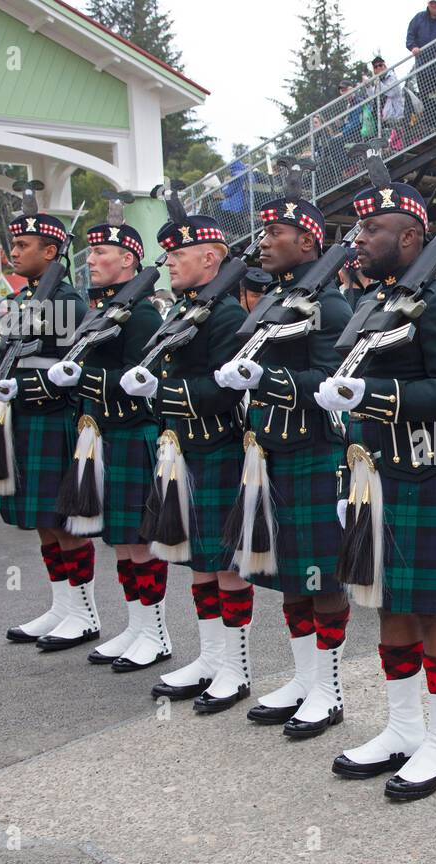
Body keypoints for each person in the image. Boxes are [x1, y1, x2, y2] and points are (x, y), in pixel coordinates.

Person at [315, 174, 436, 801]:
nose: (359, 239)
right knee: (389, 602)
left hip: (428, 470)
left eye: (373, 230)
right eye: (360, 228)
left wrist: (372, 395)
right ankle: (401, 728)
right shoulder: (378, 301)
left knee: (430, 608)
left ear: (413, 237)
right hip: (379, 473)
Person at [213, 192, 354, 738]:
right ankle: (304, 677)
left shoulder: (332, 305)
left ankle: (330, 688)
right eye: (263, 232)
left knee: (321, 576)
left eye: (277, 233)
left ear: (309, 241)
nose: (264, 242)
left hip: (315, 451)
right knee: (290, 573)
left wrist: (263, 381)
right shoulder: (276, 298)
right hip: (271, 451)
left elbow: (329, 384)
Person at [136, 215, 254, 715]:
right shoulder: (185, 310)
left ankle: (237, 668)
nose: (168, 265)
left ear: (210, 258)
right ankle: (210, 657)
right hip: (182, 447)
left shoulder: (224, 316)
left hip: (219, 448)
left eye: (177, 256)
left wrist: (160, 392)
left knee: (225, 563)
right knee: (197, 560)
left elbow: (227, 388)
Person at [47, 213, 170, 673]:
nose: (91, 259)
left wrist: (86, 378)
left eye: (101, 253)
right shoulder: (104, 307)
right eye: (92, 251)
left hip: (133, 429)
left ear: (128, 259)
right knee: (119, 540)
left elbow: (142, 376)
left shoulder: (139, 312)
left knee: (139, 541)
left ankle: (156, 632)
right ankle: (137, 625)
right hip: (105, 432)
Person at [0, 206, 95, 650]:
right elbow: (6, 350)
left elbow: (74, 366)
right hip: (22, 417)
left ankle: (85, 613)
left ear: (51, 251)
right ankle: (62, 605)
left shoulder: (67, 301)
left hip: (53, 417)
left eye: (23, 245)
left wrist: (23, 385)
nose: (13, 252)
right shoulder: (17, 300)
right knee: (42, 521)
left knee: (63, 518)